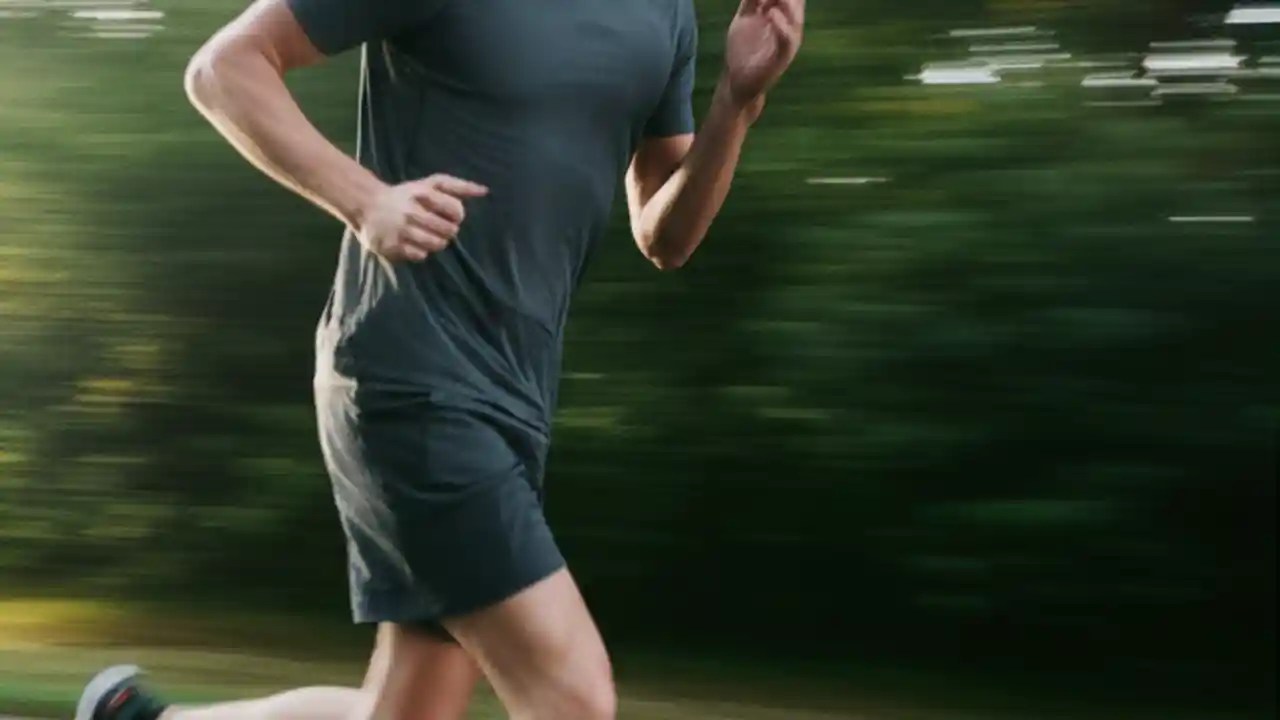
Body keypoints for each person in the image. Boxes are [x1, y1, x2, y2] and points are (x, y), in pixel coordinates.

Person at [74, 0, 804, 717]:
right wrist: (366, 201)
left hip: (515, 397)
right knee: (573, 699)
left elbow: (665, 234)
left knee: (402, 712)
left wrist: (736, 103)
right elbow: (224, 69)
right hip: (408, 375)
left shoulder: (667, 14)